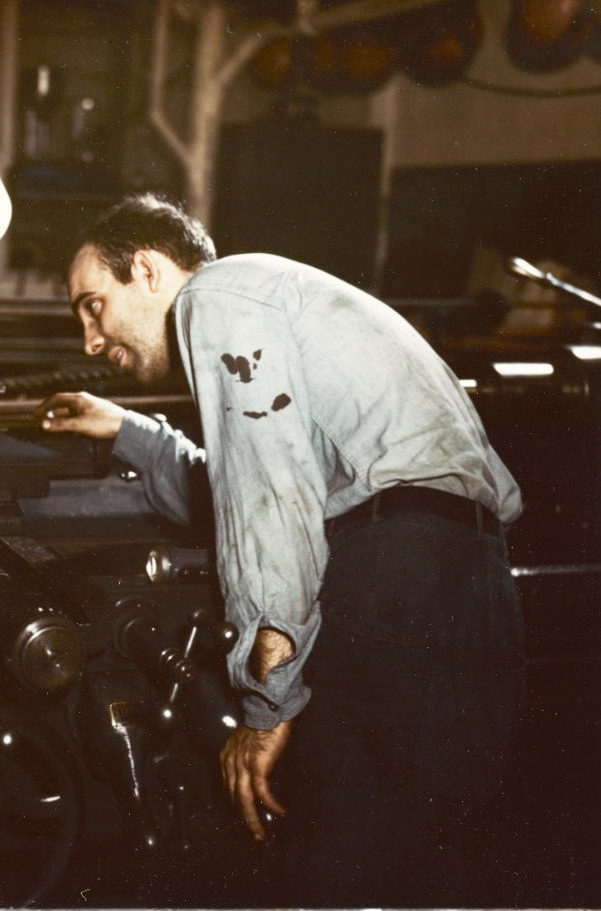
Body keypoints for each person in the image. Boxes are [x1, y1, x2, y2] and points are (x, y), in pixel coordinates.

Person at [38, 193, 525, 906]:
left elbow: (266, 500)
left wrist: (268, 702)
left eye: (92, 305)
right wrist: (125, 430)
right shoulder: (271, 293)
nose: (89, 339)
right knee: (432, 861)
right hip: (471, 580)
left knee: (337, 865)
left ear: (146, 269)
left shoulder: (215, 296)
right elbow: (240, 476)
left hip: (390, 576)